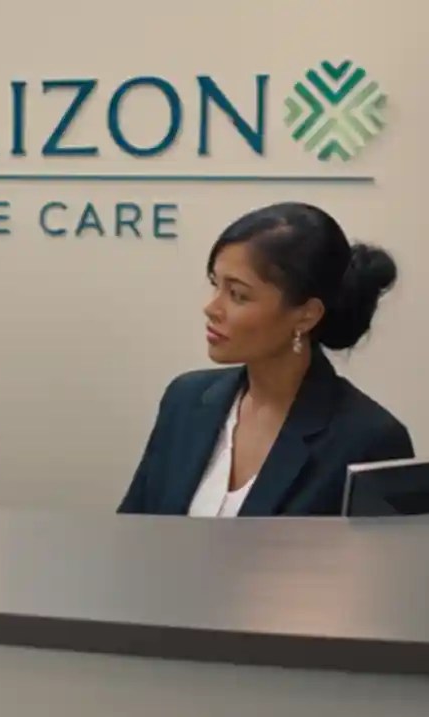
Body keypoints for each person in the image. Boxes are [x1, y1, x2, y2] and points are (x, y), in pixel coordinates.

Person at [118, 202, 412, 517]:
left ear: (306, 315)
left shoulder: (369, 440)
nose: (212, 308)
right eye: (216, 284)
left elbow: (382, 565)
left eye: (238, 295)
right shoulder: (186, 400)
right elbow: (136, 535)